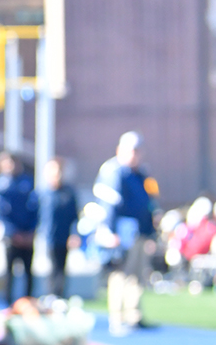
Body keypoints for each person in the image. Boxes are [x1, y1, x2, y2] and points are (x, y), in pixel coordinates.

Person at [94, 131, 157, 334]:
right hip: (121, 230)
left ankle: (134, 315)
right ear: (120, 150)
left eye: (138, 151)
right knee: (120, 273)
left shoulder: (141, 174)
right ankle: (117, 317)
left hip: (139, 231)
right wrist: (109, 230)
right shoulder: (113, 171)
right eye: (131, 150)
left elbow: (148, 204)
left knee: (138, 275)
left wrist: (151, 232)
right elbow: (109, 203)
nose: (135, 155)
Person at [0, 151, 36, 303]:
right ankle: (7, 302)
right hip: (11, 236)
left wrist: (30, 231)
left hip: (27, 235)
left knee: (28, 270)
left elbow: (34, 208)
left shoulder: (27, 183)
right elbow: (0, 213)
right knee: (9, 271)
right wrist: (13, 232)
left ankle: (27, 301)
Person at [37, 158, 80, 298]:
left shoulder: (68, 193)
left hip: (64, 236)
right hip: (49, 237)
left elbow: (74, 216)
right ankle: (50, 295)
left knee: (61, 269)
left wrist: (74, 234)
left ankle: (59, 296)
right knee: (51, 268)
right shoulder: (43, 193)